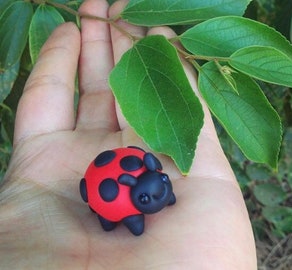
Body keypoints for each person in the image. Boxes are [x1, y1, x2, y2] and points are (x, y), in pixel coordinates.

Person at [0, 0, 257, 268]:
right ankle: (108, 217)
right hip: (106, 187)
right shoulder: (143, 178)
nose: (158, 198)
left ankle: (110, 216)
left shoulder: (145, 177)